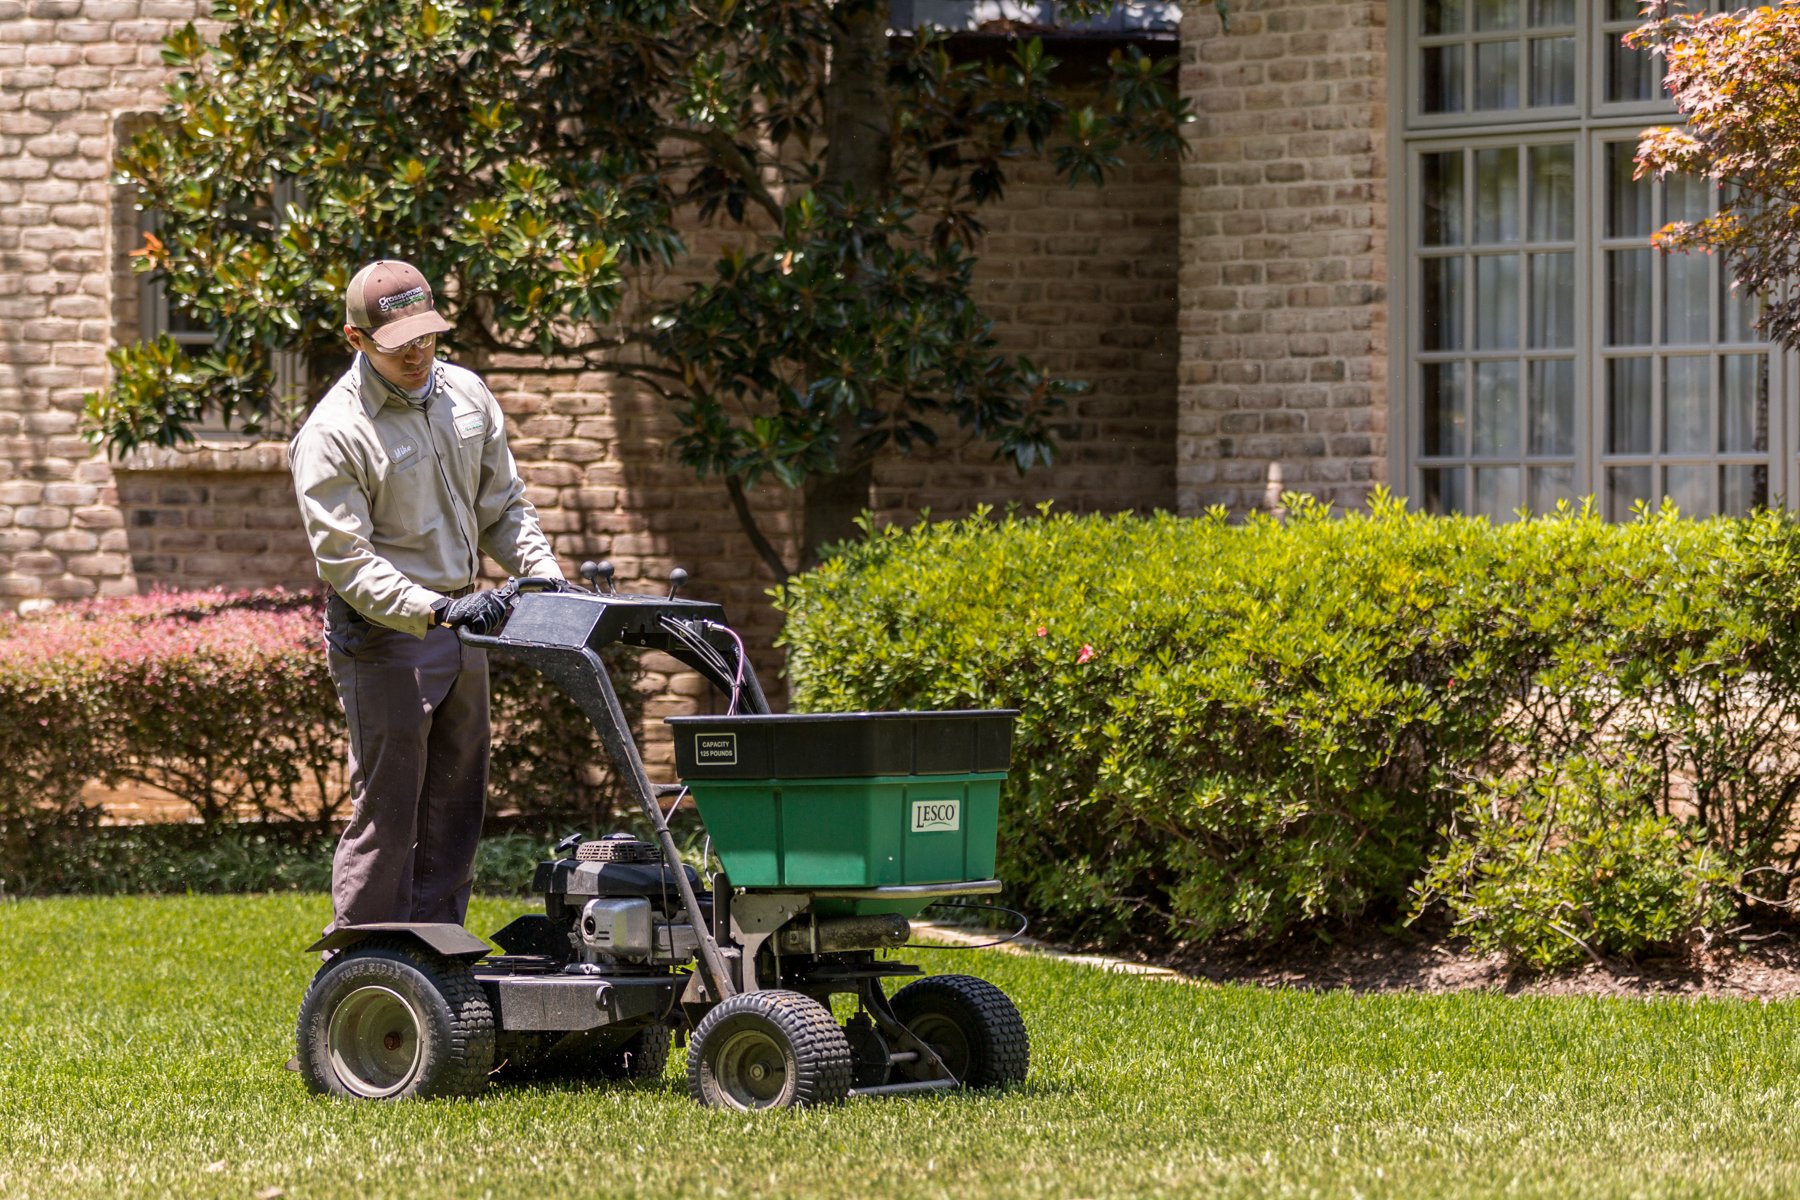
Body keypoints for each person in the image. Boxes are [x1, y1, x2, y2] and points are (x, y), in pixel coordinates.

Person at [289, 259, 564, 934]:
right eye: (397, 341)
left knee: (455, 805)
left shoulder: (466, 396)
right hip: (386, 635)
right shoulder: (334, 433)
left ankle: (435, 969)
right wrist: (437, 610)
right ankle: (354, 985)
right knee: (390, 811)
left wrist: (546, 576)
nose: (416, 352)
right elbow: (346, 561)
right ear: (357, 341)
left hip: (465, 623)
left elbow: (504, 506)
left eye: (427, 335)